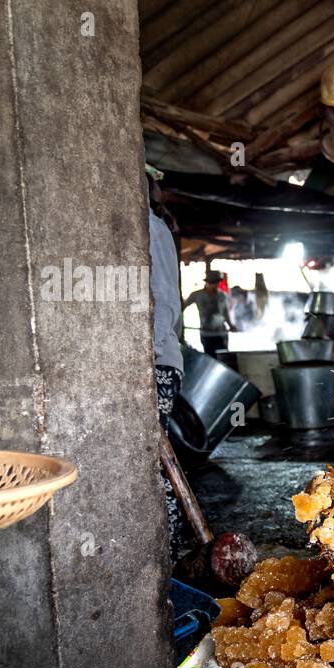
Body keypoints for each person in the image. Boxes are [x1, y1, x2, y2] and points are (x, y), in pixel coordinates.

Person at [147, 166, 187, 561]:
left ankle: (170, 555)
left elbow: (163, 301)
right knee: (152, 456)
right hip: (152, 359)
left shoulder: (149, 227)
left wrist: (148, 354)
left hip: (157, 362)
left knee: (152, 461)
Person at [185, 270, 232, 354]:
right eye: (214, 283)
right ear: (208, 282)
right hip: (206, 333)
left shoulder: (222, 295)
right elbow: (182, 307)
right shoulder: (197, 295)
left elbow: (225, 314)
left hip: (220, 333)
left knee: (223, 356)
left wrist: (231, 325)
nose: (216, 285)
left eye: (217, 282)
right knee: (210, 356)